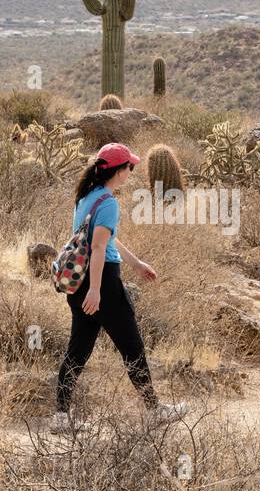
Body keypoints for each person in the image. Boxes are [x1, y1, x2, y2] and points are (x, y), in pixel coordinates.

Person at [53, 142, 187, 435]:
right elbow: (99, 248)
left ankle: (61, 416)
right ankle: (154, 410)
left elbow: (104, 239)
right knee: (132, 347)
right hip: (103, 285)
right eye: (130, 166)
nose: (131, 171)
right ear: (118, 170)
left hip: (79, 283)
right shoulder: (109, 203)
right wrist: (97, 291)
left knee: (77, 351)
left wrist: (136, 263)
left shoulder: (87, 197)